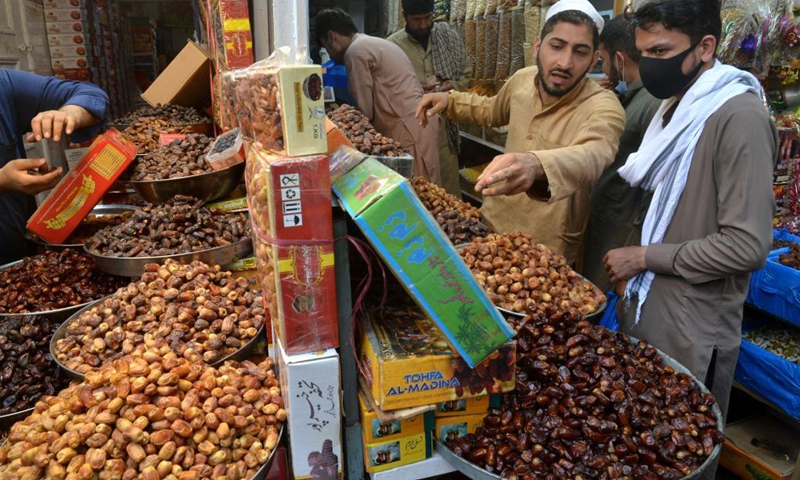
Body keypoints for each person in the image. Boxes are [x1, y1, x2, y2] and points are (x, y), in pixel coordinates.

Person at [602, 0, 776, 434]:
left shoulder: (739, 118)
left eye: (661, 53)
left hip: (692, 335)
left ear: (705, 47)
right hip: (649, 316)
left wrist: (644, 258)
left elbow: (747, 245)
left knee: (680, 448)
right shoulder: (675, 109)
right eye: (644, 55)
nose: (650, 66)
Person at [416, 0, 625, 264]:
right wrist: (451, 100)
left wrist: (537, 164)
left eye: (580, 52)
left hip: (545, 248)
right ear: (538, 46)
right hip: (491, 224)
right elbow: (492, 110)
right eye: (556, 46)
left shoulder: (603, 105)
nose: (565, 62)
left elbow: (595, 152)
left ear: (595, 58)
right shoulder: (523, 79)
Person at [315, 8, 441, 184]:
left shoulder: (355, 52)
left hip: (409, 129)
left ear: (332, 37)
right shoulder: (371, 42)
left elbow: (365, 113)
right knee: (427, 190)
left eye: (327, 47)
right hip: (417, 124)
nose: (330, 54)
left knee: (420, 194)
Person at [582, 16, 661, 293]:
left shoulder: (652, 103)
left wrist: (635, 251)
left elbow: (654, 187)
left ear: (618, 59)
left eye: (602, 59)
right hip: (607, 214)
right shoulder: (629, 96)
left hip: (621, 227)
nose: (603, 68)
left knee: (600, 295)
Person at [0, 69, 108, 265]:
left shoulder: (4, 84)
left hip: (18, 257)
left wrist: (69, 113)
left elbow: (92, 95)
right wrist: (2, 181)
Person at [388, 0, 472, 196]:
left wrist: (450, 87)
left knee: (449, 192)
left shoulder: (447, 36)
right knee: (421, 191)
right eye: (417, 20)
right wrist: (415, 90)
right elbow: (387, 93)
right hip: (412, 134)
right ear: (404, 15)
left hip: (445, 131)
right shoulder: (392, 46)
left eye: (428, 17)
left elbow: (466, 75)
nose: (424, 24)